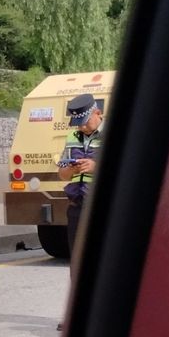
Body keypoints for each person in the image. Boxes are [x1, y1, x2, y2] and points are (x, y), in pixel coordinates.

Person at [56, 93, 105, 271]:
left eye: (85, 121)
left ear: (98, 113)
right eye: (79, 123)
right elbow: (62, 175)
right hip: (76, 206)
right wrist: (70, 169)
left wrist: (95, 166)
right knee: (78, 262)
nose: (82, 126)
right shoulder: (73, 138)